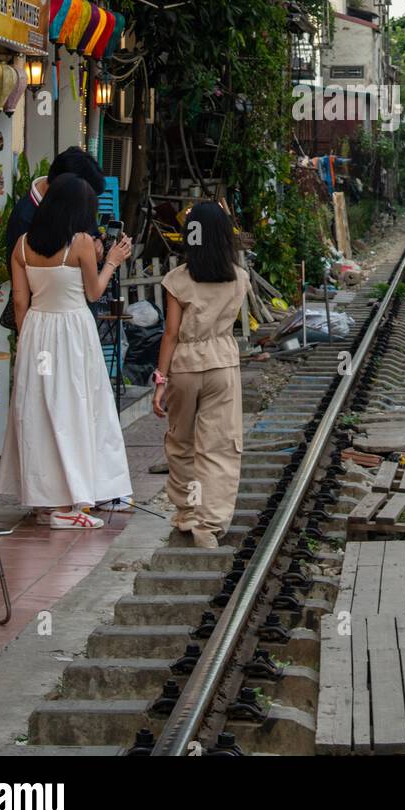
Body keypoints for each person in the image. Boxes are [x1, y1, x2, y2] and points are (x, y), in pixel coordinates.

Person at [0, 174, 134, 530]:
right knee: (77, 408)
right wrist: (114, 260)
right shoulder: (81, 244)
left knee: (40, 411)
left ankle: (45, 499)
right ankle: (70, 502)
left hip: (37, 332)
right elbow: (93, 291)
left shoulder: (23, 245)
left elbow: (19, 301)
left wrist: (27, 344)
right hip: (73, 333)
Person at [152, 202, 250, 549]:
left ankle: (187, 515)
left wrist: (160, 382)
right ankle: (208, 527)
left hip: (184, 367)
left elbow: (171, 333)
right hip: (222, 364)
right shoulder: (240, 278)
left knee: (181, 443)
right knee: (220, 447)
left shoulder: (177, 279)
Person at [5, 146, 106, 279]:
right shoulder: (24, 217)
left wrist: (99, 244)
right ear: (65, 185)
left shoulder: (78, 202)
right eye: (85, 196)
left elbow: (94, 235)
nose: (86, 204)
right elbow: (21, 278)